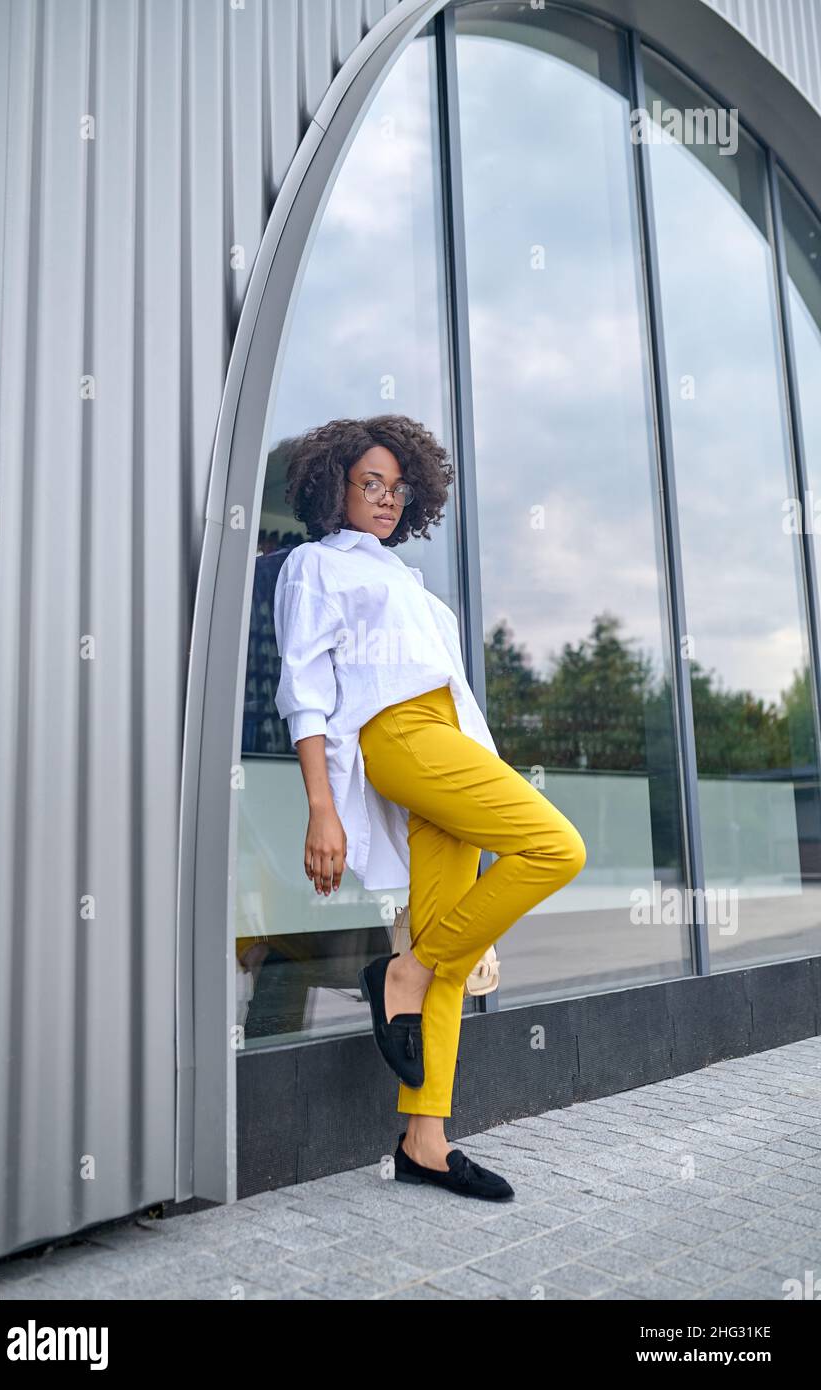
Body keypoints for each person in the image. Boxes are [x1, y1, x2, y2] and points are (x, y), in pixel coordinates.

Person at [273, 415, 587, 1201]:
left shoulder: (409, 584)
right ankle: (402, 976)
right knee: (557, 847)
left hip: (453, 746)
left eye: (395, 488)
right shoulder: (315, 566)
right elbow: (304, 692)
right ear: (332, 486)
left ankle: (425, 1139)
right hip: (403, 741)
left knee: (444, 946)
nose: (384, 499)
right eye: (368, 484)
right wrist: (322, 807)